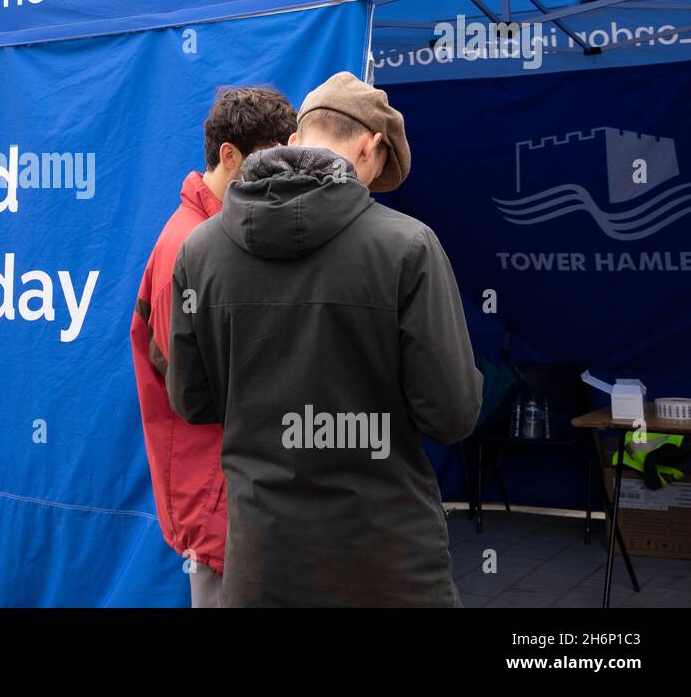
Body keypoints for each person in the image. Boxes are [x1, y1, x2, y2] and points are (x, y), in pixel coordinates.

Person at [167, 72, 482, 607]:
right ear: (373, 145)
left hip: (261, 567)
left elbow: (191, 402)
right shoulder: (408, 246)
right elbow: (451, 414)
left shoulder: (199, 252)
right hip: (387, 567)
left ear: (295, 140)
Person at [130, 85, 297, 608]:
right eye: (270, 160)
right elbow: (191, 388)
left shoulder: (221, 233)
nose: (282, 177)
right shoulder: (186, 245)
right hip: (215, 496)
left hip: (234, 489)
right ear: (230, 155)